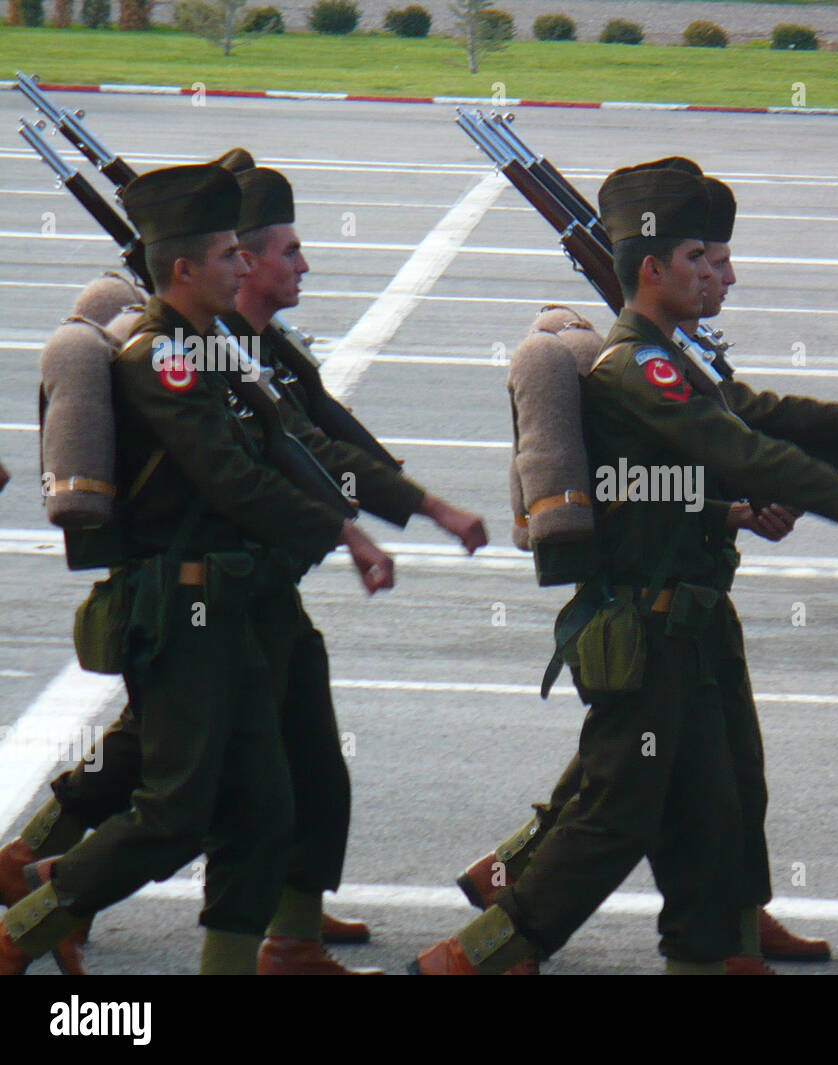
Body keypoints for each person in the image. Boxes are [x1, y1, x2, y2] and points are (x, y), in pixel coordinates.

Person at [412, 162, 838, 974]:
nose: (721, 272)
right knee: (615, 815)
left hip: (687, 617)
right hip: (648, 627)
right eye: (702, 257)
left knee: (717, 804)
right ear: (652, 269)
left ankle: (718, 952)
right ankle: (477, 955)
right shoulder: (637, 365)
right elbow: (735, 445)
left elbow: (719, 441)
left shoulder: (674, 358)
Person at [0, 159, 489, 974]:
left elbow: (304, 440)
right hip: (185, 606)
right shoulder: (163, 357)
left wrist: (423, 506)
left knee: (264, 809)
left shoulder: (217, 347)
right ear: (186, 268)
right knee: (174, 814)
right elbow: (230, 472)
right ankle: (25, 921)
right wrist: (344, 531)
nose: (246, 265)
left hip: (230, 603)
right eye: (231, 253)